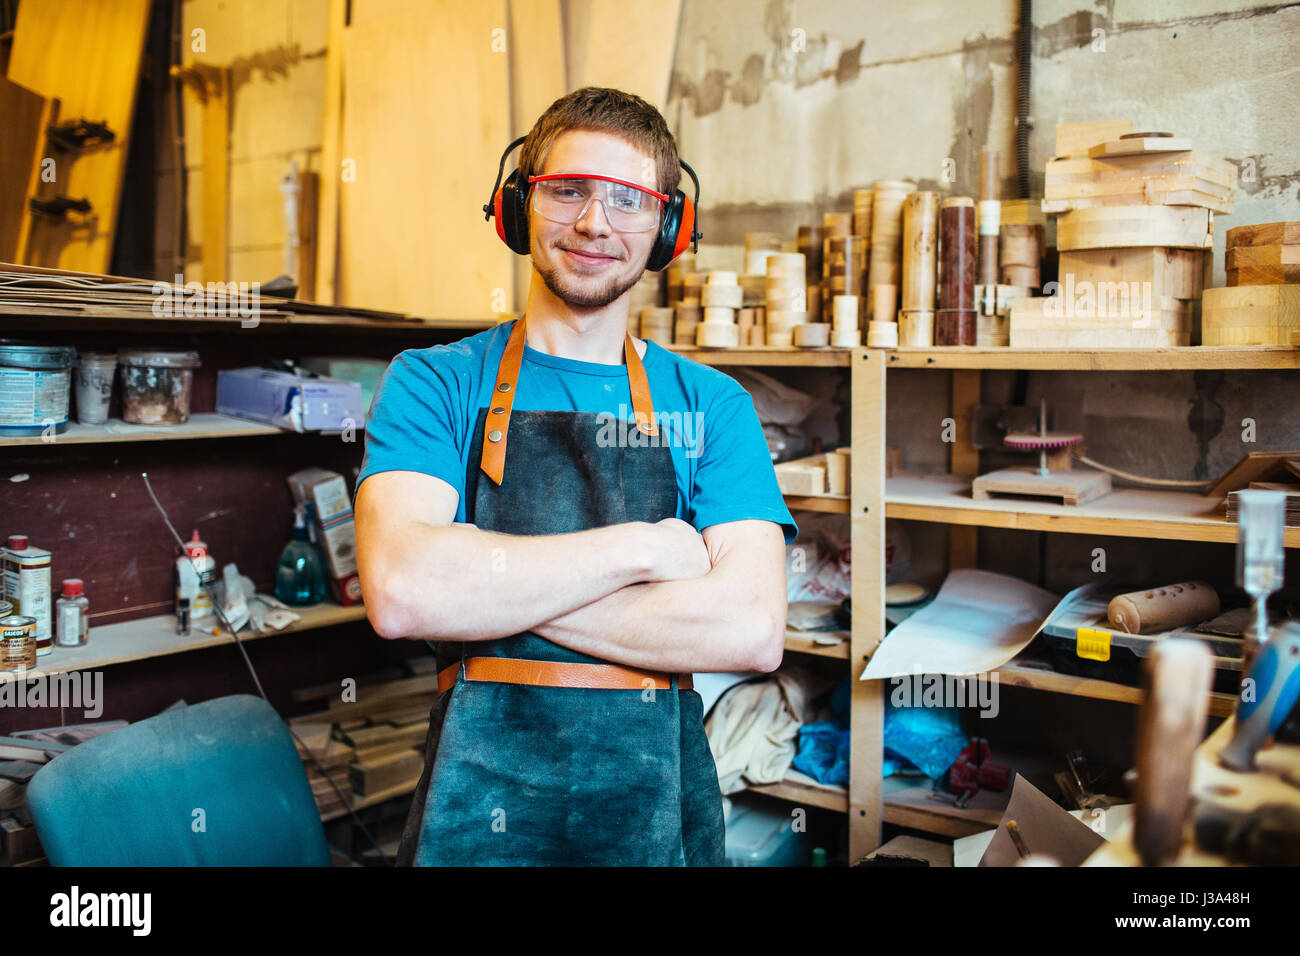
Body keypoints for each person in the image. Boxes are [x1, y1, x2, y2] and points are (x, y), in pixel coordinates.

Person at [354, 86, 797, 866]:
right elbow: (402, 593)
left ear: (667, 228)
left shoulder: (714, 405)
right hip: (476, 810)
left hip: (655, 816)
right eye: (567, 192)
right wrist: (645, 547)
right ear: (518, 207)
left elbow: (752, 630)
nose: (595, 223)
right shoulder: (434, 381)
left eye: (629, 199)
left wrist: (486, 589)